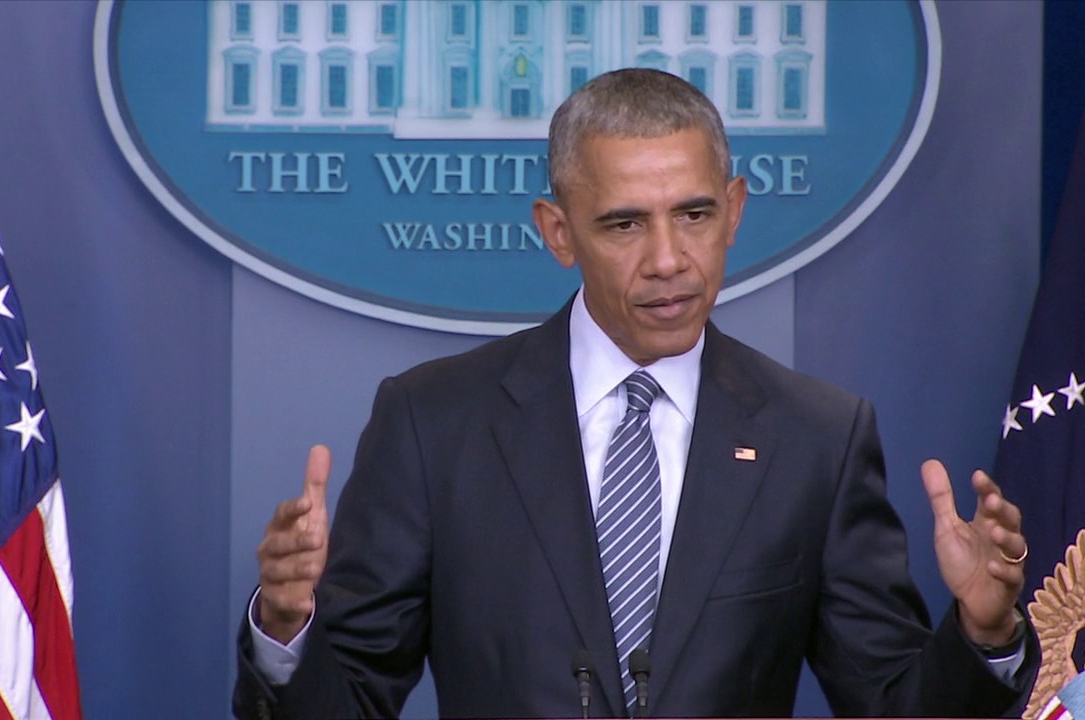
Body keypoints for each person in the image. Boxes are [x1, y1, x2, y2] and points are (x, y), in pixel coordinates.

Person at [233, 68, 1036, 719]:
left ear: (733, 211)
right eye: (624, 225)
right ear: (558, 231)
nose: (667, 259)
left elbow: (894, 706)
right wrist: (285, 627)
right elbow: (349, 702)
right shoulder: (435, 422)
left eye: (693, 215)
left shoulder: (816, 437)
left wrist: (982, 629)